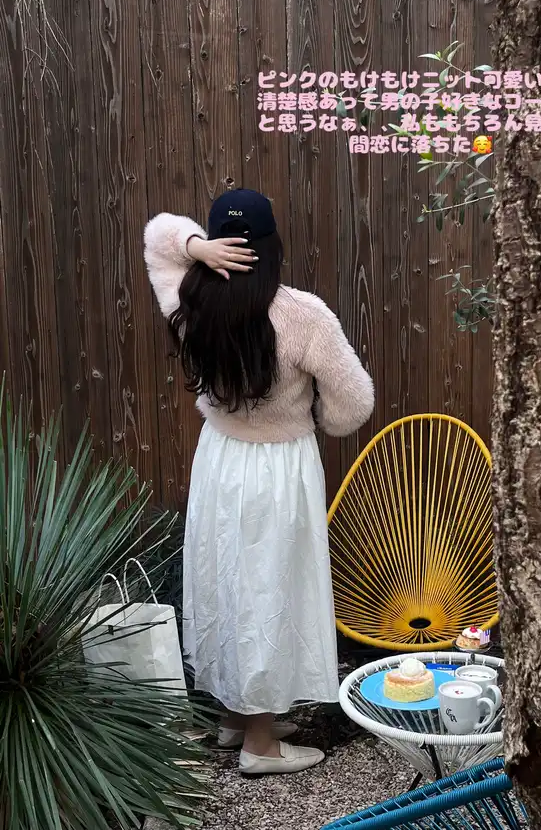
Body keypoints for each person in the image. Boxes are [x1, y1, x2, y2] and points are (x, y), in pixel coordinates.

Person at [143, 189, 375, 775]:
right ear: (272, 246)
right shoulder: (304, 315)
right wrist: (316, 414)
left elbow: (157, 236)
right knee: (268, 591)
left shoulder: (189, 298)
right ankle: (261, 745)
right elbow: (354, 405)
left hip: (220, 460)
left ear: (219, 244)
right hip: (279, 469)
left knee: (226, 582)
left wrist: (195, 249)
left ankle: (236, 717)